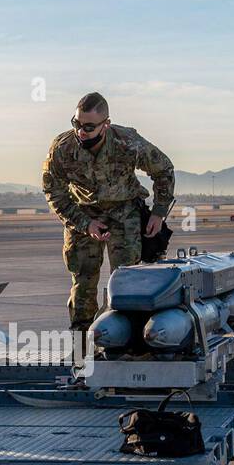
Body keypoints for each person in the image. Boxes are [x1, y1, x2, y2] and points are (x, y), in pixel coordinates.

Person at [41, 91, 175, 335]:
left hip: (124, 214)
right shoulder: (62, 149)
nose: (81, 131)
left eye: (89, 127)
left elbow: (163, 169)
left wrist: (158, 212)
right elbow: (54, 192)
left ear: (106, 125)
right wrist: (84, 224)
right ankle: (81, 352)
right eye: (77, 124)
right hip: (82, 214)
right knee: (83, 283)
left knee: (127, 283)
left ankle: (128, 343)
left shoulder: (127, 142)